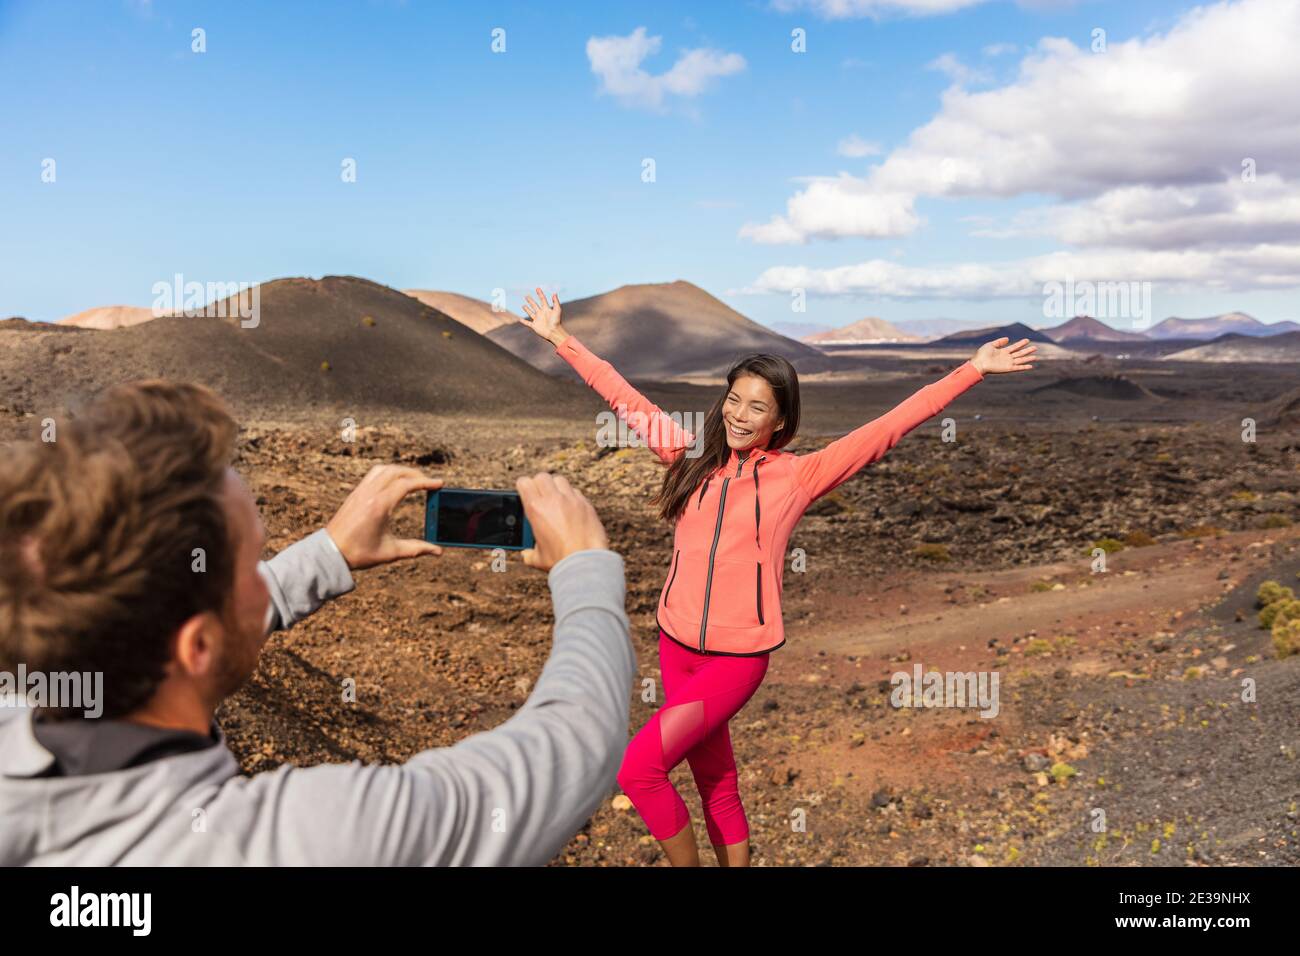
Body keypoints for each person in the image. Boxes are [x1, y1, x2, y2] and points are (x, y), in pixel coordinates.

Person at [0, 380, 635, 865]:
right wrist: (585, 571)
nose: (265, 574)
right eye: (254, 563)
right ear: (196, 646)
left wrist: (328, 553)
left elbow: (177, 625)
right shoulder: (313, 837)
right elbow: (573, 745)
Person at [519, 288, 1036, 866]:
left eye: (757, 407)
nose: (740, 415)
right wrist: (561, 338)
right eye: (734, 401)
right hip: (675, 643)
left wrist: (972, 370)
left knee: (639, 768)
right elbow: (625, 397)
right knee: (715, 779)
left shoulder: (799, 477)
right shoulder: (690, 457)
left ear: (780, 418)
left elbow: (890, 425)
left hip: (735, 659)